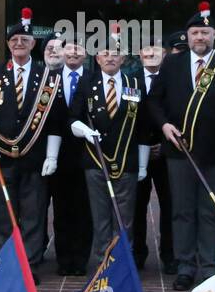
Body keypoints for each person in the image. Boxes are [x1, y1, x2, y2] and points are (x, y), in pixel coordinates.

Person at [146, 1, 215, 291]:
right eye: (195, 33)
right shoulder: (172, 64)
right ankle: (185, 266)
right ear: (188, 36)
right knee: (182, 211)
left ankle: (209, 266)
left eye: (205, 33)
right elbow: (154, 101)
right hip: (179, 152)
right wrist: (163, 125)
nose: (200, 38)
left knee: (210, 212)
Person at [0, 8, 65, 272]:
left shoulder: (47, 76)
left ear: (32, 44)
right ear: (8, 44)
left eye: (24, 40)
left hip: (35, 156)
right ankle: (7, 263)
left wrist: (51, 155)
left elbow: (55, 121)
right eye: (14, 40)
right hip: (1, 155)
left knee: (33, 212)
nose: (19, 44)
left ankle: (30, 263)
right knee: (4, 213)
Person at [69, 34, 149, 269]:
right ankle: (100, 266)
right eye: (105, 53)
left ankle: (123, 264)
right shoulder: (87, 83)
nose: (110, 57)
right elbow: (73, 116)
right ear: (97, 57)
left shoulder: (135, 84)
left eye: (115, 53)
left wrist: (143, 164)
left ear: (123, 57)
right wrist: (84, 131)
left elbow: (143, 126)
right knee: (100, 216)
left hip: (128, 160)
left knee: (125, 219)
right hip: (96, 160)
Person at [132, 43, 175, 273]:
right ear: (140, 55)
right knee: (137, 206)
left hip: (165, 153)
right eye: (146, 52)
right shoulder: (130, 80)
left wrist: (163, 144)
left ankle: (169, 255)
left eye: (156, 52)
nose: (150, 55)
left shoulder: (172, 80)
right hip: (138, 152)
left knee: (170, 205)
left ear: (164, 55)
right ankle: (138, 253)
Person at [52, 36, 93, 275]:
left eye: (79, 49)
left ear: (86, 55)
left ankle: (81, 259)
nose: (74, 52)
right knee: (61, 208)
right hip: (57, 152)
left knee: (83, 209)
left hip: (86, 153)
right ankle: (63, 259)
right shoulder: (51, 79)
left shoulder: (93, 79)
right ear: (63, 52)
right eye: (70, 48)